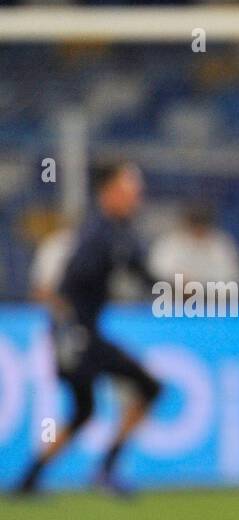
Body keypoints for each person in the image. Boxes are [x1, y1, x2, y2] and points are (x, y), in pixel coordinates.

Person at [14, 161, 163, 497]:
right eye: (129, 189)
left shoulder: (118, 234)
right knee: (141, 390)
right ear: (108, 192)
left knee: (86, 410)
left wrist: (175, 288)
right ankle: (102, 469)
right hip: (75, 334)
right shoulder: (98, 234)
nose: (136, 197)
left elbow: (144, 277)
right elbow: (66, 285)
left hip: (84, 332)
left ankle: (31, 480)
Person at [148, 202, 239, 285]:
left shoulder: (221, 244)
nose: (198, 229)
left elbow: (230, 278)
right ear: (186, 223)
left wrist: (200, 287)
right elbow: (155, 272)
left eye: (202, 224)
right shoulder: (169, 242)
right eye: (194, 224)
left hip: (211, 301)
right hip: (173, 299)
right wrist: (179, 280)